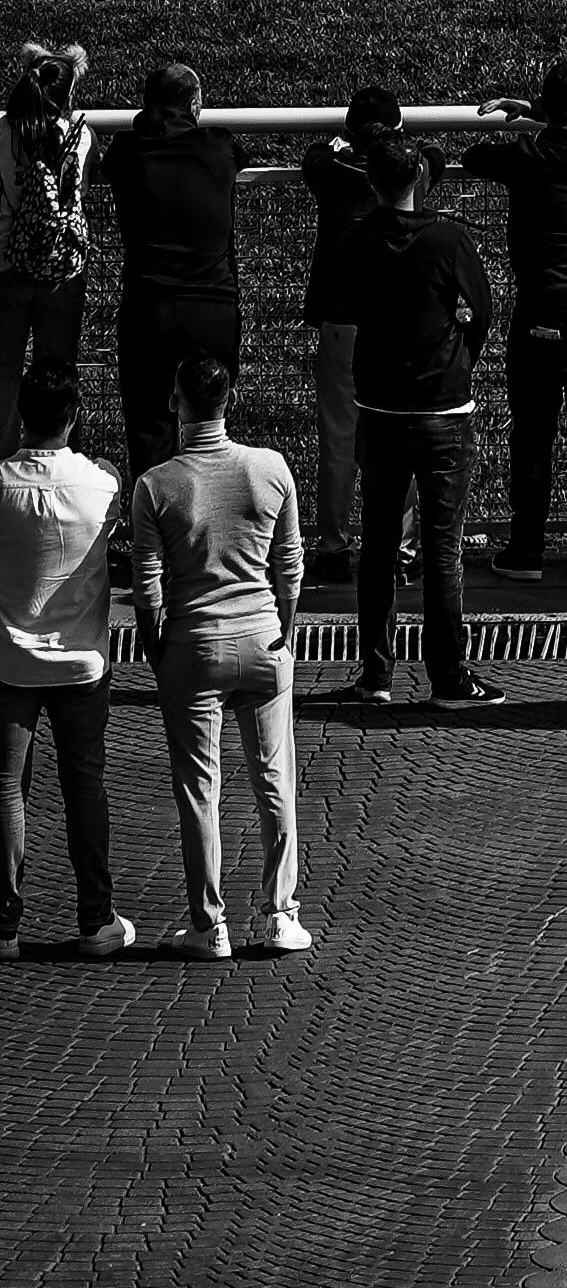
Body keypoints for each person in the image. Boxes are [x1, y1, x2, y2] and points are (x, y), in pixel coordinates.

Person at [125, 347, 307, 960]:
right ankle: (281, 914)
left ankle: (209, 926)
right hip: (263, 641)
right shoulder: (271, 468)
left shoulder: (156, 486)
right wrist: (282, 632)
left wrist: (159, 651)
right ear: (229, 400)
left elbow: (147, 587)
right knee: (274, 780)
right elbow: (290, 568)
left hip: (193, 646)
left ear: (176, 403)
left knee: (200, 790)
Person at [344, 145, 498, 715]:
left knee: (378, 543)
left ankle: (375, 675)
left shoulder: (357, 239)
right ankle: (448, 676)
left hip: (379, 408)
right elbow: (482, 310)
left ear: (371, 180)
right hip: (442, 409)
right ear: (421, 176)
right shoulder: (447, 239)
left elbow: (348, 302)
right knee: (442, 547)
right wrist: (459, 358)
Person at [464, 57, 567, 576]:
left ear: (547, 108)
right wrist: (545, 112)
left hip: (542, 309)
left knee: (534, 434)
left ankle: (527, 548)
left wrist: (536, 116)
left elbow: (473, 157)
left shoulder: (529, 155)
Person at [0, 359, 131, 956]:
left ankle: (4, 923)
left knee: (7, 788)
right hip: (82, 663)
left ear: (20, 413)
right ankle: (96, 919)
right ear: (74, 416)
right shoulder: (102, 485)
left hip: (10, 662)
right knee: (85, 786)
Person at [104, 58, 244, 483]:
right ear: (195, 106)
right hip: (214, 307)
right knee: (210, 428)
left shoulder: (127, 151)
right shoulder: (219, 146)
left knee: (149, 427)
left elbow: (116, 158)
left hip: (151, 309)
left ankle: (153, 521)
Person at [293, 80, 412, 566]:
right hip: (399, 323)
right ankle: (402, 549)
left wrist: (342, 145)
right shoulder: (414, 169)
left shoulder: (332, 171)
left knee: (339, 436)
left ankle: (334, 545)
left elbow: (315, 157)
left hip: (343, 322)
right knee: (400, 433)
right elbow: (433, 155)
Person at [1, 37, 98, 429]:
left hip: (5, 266)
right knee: (57, 372)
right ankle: (57, 452)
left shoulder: (3, 131)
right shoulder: (82, 136)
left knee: (3, 372)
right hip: (61, 270)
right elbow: (80, 192)